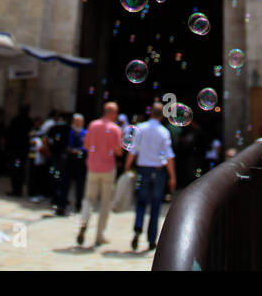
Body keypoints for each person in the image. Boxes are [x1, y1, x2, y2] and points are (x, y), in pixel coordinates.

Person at [124, 102, 176, 252]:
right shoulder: (163, 131)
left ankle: (138, 228)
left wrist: (127, 167)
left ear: (150, 113)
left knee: (141, 202)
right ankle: (152, 240)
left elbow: (132, 151)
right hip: (158, 172)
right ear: (162, 116)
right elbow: (169, 156)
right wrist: (172, 176)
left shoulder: (141, 128)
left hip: (143, 171)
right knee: (155, 206)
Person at [77, 102, 122, 247]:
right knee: (105, 202)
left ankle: (84, 223)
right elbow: (119, 151)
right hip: (108, 169)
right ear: (113, 113)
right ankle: (99, 235)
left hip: (92, 167)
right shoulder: (115, 129)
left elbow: (86, 145)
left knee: (89, 198)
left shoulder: (93, 125)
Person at [55, 113, 87, 217]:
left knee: (80, 185)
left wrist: (79, 151)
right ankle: (62, 205)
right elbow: (64, 144)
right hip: (69, 161)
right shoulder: (69, 132)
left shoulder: (85, 133)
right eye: (75, 121)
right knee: (65, 184)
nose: (77, 123)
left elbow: (88, 146)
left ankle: (79, 206)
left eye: (79, 122)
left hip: (81, 162)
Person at [6, 105, 32, 197]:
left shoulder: (16, 120)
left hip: (16, 150)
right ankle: (18, 190)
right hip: (22, 150)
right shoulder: (28, 121)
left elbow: (9, 134)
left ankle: (16, 189)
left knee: (16, 170)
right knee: (20, 170)